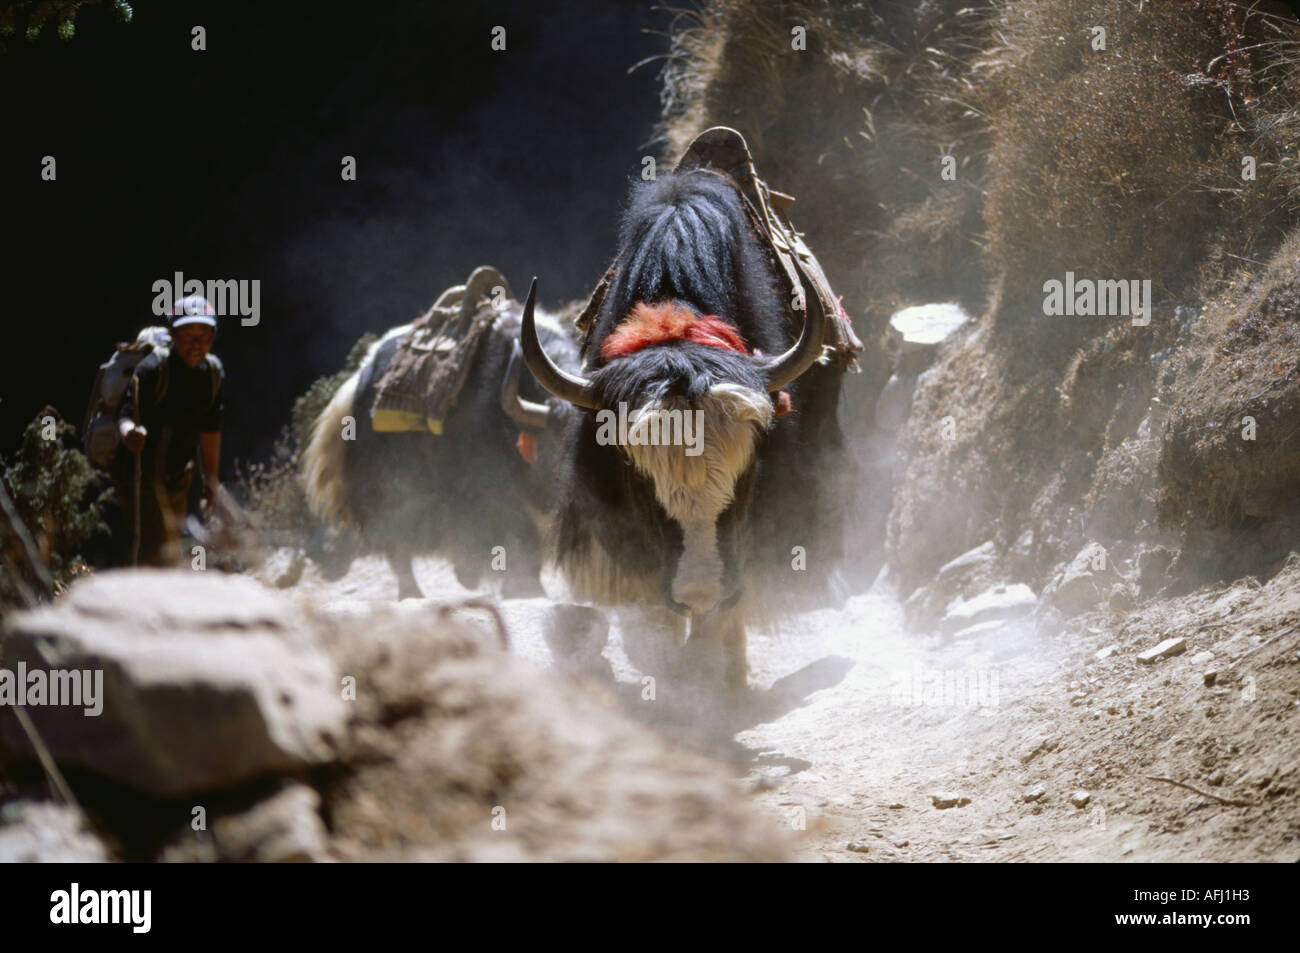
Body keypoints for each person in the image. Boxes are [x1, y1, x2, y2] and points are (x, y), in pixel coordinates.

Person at [112, 296, 225, 566]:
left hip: (178, 477)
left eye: (204, 335)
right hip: (140, 476)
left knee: (170, 546)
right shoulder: (152, 369)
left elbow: (210, 429)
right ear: (173, 335)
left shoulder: (212, 373)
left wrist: (211, 481)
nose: (197, 344)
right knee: (151, 549)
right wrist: (130, 433)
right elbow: (124, 415)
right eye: (188, 335)